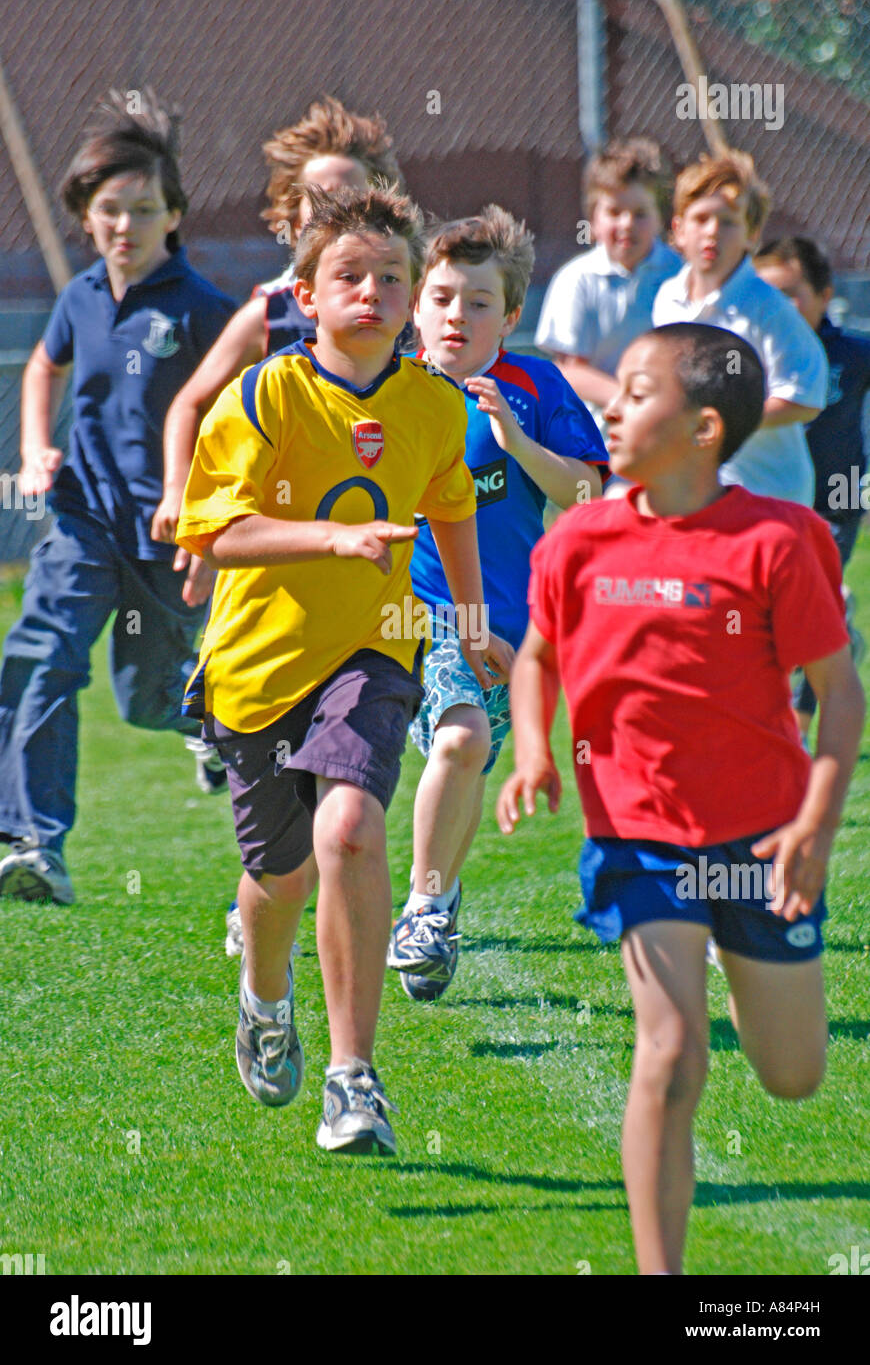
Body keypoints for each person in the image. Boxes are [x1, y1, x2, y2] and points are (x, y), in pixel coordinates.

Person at [497, 323, 864, 1275]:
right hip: (639, 840)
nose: (610, 408)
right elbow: (536, 656)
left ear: (703, 427)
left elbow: (840, 693)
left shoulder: (783, 541)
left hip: (762, 849)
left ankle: (756, 985)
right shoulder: (576, 540)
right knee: (669, 1051)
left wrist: (817, 825)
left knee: (793, 1075)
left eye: (635, 392)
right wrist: (531, 751)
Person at [175, 184, 513, 1155]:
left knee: (354, 829)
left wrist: (473, 615)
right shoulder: (265, 394)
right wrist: (333, 537)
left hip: (378, 647)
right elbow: (220, 531)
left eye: (393, 278)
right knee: (277, 879)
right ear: (307, 296)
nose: (373, 292)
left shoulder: (435, 405)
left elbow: (449, 500)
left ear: (413, 297)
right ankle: (265, 996)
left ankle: (353, 1077)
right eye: (349, 276)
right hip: (257, 670)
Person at [150, 96, 403, 958]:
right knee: (228, 625)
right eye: (317, 205)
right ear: (286, 218)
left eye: (350, 200)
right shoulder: (269, 311)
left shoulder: (389, 305)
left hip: (364, 555)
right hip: (264, 527)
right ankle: (218, 730)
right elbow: (190, 402)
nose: (333, 217)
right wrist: (182, 503)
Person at [0, 90, 235, 907]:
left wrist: (208, 512)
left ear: (173, 216)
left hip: (170, 540)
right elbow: (43, 367)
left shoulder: (204, 310)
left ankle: (208, 727)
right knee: (44, 655)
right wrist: (36, 449)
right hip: (82, 520)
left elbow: (237, 416)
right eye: (110, 211)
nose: (125, 226)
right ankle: (32, 842)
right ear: (87, 219)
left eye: (144, 209)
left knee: (147, 702)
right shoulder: (80, 300)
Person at [385, 206, 608, 1000]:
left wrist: (520, 445)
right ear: (415, 303)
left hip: (508, 633)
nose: (457, 315)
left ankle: (435, 899)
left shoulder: (535, 385)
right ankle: (418, 908)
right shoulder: (379, 384)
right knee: (455, 741)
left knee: (466, 750)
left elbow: (589, 494)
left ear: (510, 315)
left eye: (478, 302)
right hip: (400, 617)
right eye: (441, 297)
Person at [652, 151, 827, 506]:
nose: (713, 231)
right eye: (701, 218)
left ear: (752, 234)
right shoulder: (667, 299)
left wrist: (725, 422)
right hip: (697, 490)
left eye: (729, 221)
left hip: (772, 494)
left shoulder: (770, 308)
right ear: (678, 230)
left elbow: (805, 397)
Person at [755, 236, 870, 733]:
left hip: (836, 500)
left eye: (791, 293)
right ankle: (843, 634)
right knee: (771, 614)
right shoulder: (750, 357)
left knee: (814, 604)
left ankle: (796, 726)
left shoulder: (854, 352)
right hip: (771, 505)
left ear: (825, 295)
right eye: (768, 294)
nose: (778, 307)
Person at [534, 138, 680, 431]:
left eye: (640, 214)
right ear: (593, 219)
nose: (626, 224)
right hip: (600, 434)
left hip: (669, 429)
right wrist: (631, 404)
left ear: (660, 218)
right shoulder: (576, 279)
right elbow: (570, 370)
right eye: (614, 212)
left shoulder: (680, 273)